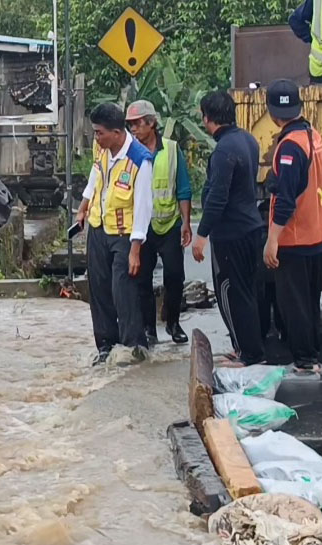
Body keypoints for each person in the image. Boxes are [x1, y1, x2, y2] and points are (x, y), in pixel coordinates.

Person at [262, 80, 322, 377]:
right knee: (310, 302)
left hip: (295, 237)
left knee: (294, 304)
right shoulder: (311, 135)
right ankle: (312, 356)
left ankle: (304, 361)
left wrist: (272, 240)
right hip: (317, 234)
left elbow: (287, 200)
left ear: (272, 113)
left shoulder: (289, 146)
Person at [192, 91, 266, 367]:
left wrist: (202, 236)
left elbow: (217, 197)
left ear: (207, 117)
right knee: (247, 292)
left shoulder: (223, 150)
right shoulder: (247, 140)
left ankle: (248, 354)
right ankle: (250, 348)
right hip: (250, 228)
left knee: (231, 293)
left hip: (231, 233)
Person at [77, 103, 153, 365]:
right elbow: (95, 177)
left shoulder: (139, 160)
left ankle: (134, 346)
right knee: (98, 288)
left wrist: (135, 249)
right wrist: (84, 204)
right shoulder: (102, 150)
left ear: (117, 133)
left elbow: (144, 207)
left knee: (123, 290)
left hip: (124, 234)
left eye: (100, 133)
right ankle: (106, 346)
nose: (96, 137)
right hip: (98, 228)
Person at [125, 99, 193, 346]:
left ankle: (173, 323)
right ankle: (148, 329)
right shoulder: (128, 152)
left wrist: (186, 223)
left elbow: (183, 189)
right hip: (142, 229)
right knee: (142, 279)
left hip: (169, 225)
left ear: (151, 123)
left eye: (137, 123)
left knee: (175, 276)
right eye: (130, 124)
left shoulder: (172, 150)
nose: (133, 129)